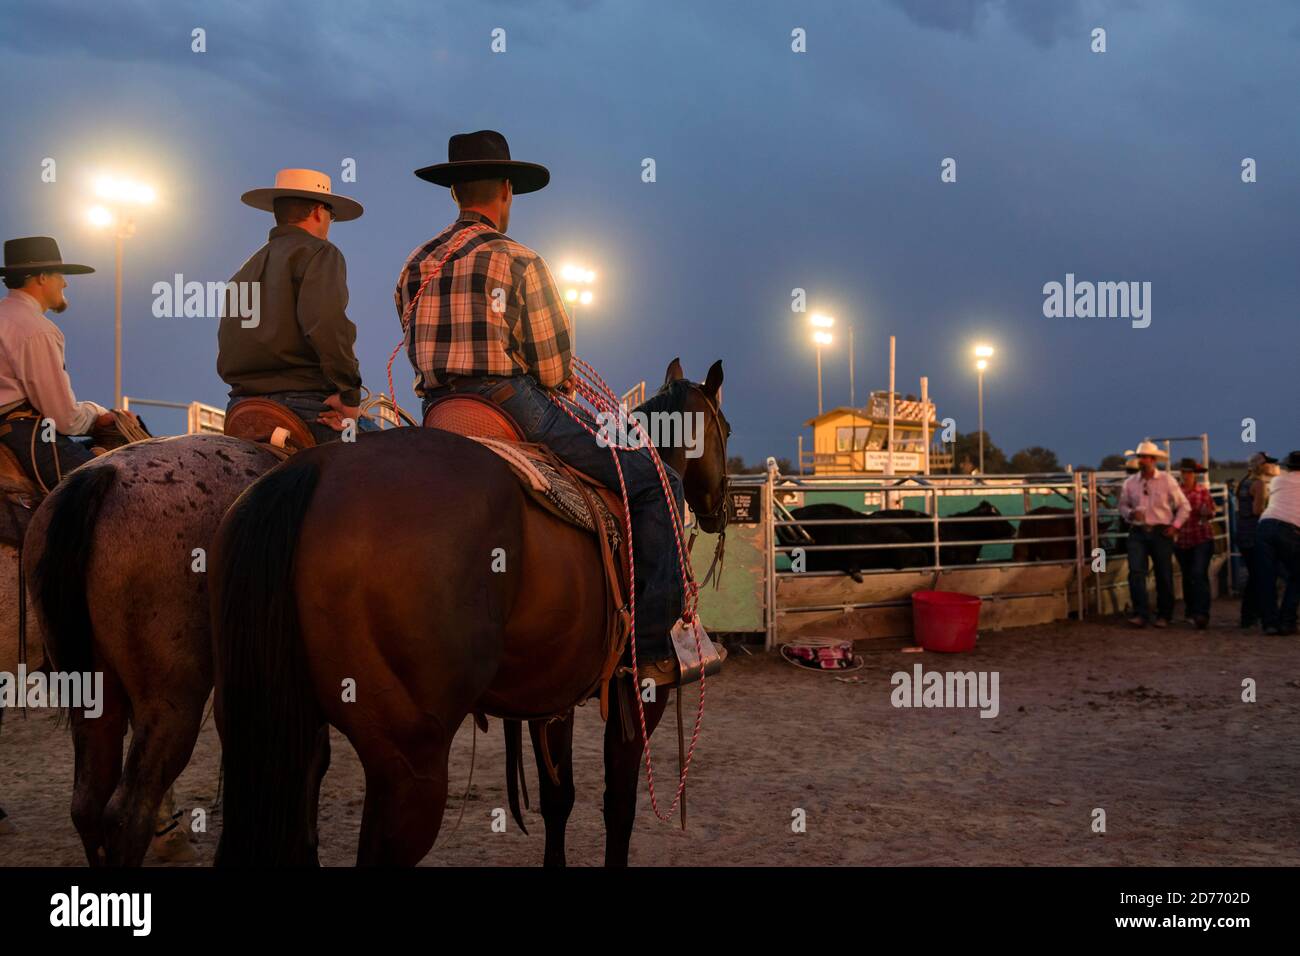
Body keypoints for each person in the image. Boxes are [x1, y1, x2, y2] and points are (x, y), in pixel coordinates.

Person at [395, 130, 685, 658]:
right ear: (506, 190)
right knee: (657, 482)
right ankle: (650, 645)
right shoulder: (521, 260)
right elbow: (553, 370)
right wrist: (551, 378)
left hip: (439, 411)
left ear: (454, 191)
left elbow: (413, 342)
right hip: (508, 402)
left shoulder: (416, 265)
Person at [218, 168, 374, 444]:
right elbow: (326, 324)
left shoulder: (244, 269)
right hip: (304, 405)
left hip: (241, 408)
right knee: (392, 458)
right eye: (332, 215)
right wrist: (349, 396)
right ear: (318, 211)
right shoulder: (321, 252)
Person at [0, 236, 130, 491]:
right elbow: (63, 418)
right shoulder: (37, 330)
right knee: (111, 486)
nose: (65, 283)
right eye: (60, 274)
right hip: (21, 433)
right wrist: (98, 413)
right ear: (41, 277)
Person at [1117, 440, 1190, 628]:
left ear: (1153, 460)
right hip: (1138, 530)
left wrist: (1175, 526)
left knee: (1163, 574)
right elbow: (1123, 505)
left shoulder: (1167, 480)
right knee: (1136, 573)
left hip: (1160, 531)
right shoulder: (1130, 483)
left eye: (1144, 457)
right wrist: (1131, 513)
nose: (1141, 460)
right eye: (1140, 457)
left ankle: (1164, 614)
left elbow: (1184, 506)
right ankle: (1142, 613)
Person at [1254, 450, 1300, 636]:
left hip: (1265, 526)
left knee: (1266, 577)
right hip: (1290, 529)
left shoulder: (1277, 481)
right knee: (1297, 575)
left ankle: (1270, 623)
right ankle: (1287, 620)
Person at [1236, 452, 1277, 628]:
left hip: (1242, 532)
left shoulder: (1243, 482)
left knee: (1254, 574)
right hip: (1254, 533)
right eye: (1268, 463)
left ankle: (1249, 614)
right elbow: (1257, 510)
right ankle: (1251, 614)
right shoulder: (1258, 484)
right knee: (1259, 575)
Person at [1173, 458, 1215, 629]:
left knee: (1197, 573)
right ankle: (1193, 611)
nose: (1187, 475)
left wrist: (1206, 512)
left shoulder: (1202, 491)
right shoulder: (1176, 492)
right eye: (1184, 472)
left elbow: (1210, 511)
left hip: (1200, 538)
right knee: (1189, 575)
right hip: (1183, 539)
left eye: (1189, 472)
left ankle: (1201, 613)